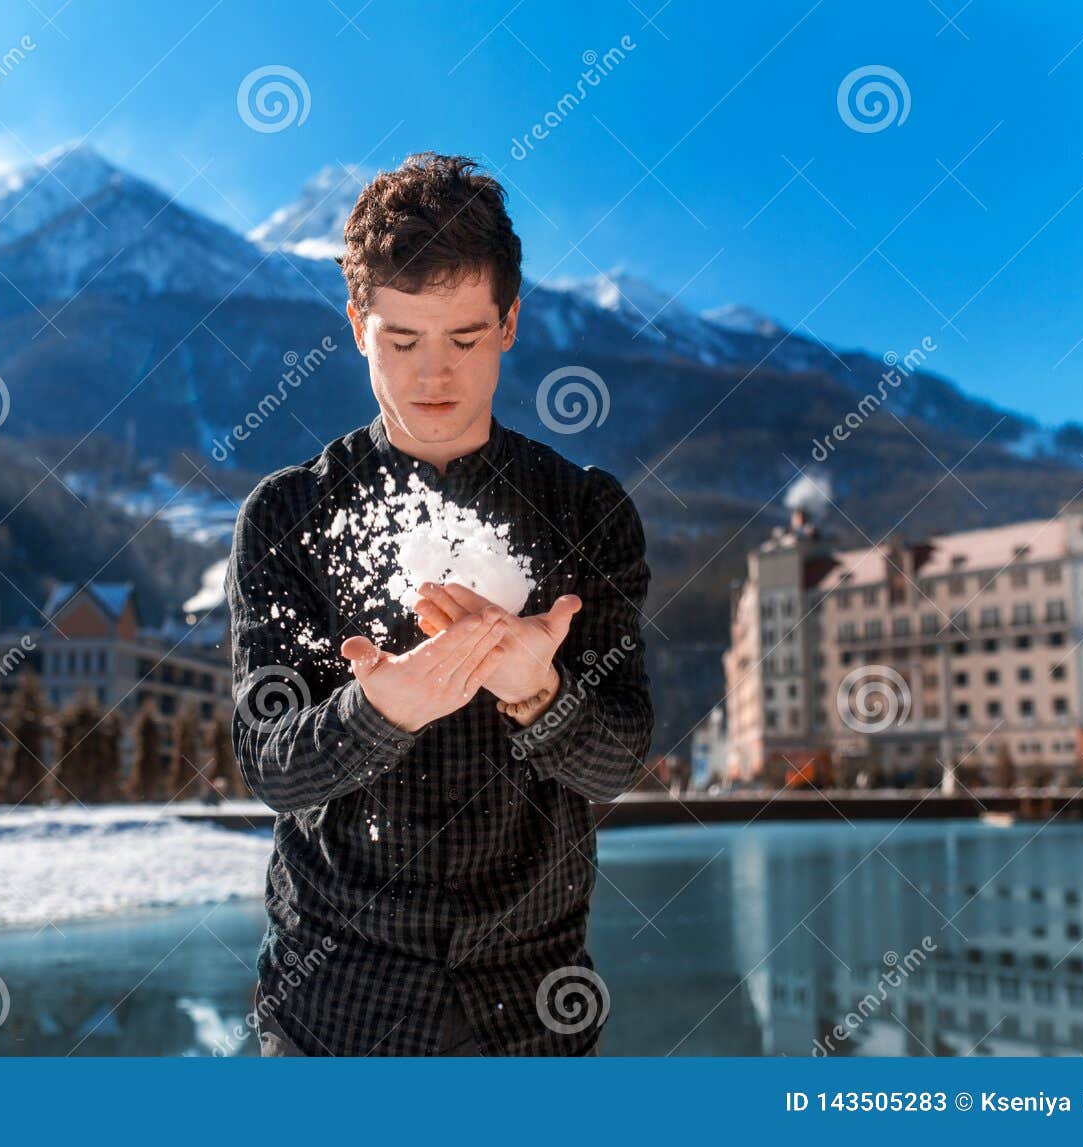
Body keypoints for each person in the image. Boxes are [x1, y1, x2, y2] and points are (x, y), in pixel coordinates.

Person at [227, 153, 653, 1056]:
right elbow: (269, 764)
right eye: (402, 339)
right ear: (356, 326)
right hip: (332, 1015)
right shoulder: (286, 516)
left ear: (509, 325)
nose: (434, 375)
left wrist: (542, 693)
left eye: (464, 338)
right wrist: (379, 710)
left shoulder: (586, 511)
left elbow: (617, 761)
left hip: (532, 1018)